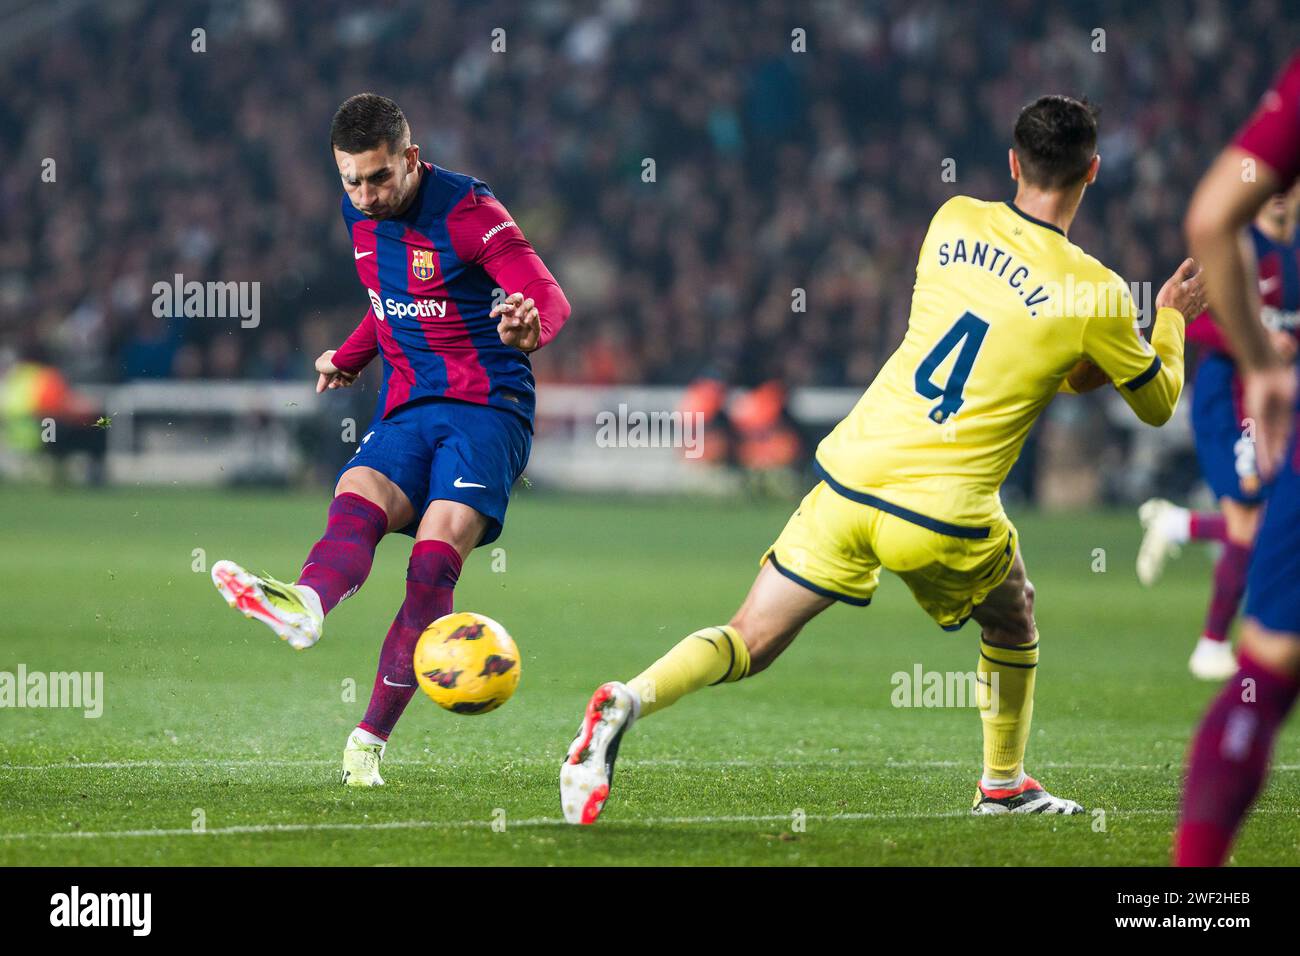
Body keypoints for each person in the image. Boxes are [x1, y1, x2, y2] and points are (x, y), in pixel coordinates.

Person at [560, 95, 1204, 824]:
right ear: (1093, 170)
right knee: (1013, 616)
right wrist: (1174, 318)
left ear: (1013, 163)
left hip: (851, 471)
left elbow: (1013, 335)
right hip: (943, 508)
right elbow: (1153, 401)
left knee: (749, 635)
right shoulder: (1097, 292)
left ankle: (629, 698)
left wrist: (1089, 354)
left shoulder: (952, 220)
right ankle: (1003, 784)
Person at [211, 93, 569, 786]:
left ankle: (367, 743)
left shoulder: (470, 212)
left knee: (433, 560)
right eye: (352, 181)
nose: (366, 195)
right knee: (357, 493)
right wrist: (349, 355)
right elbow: (390, 301)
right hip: (406, 404)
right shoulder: (358, 211)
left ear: (410, 158)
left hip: (487, 409)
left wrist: (532, 330)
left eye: (379, 178)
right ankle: (306, 606)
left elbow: (547, 295)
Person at [1176, 52, 1300, 866]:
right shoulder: (1259, 256)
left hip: (1274, 401)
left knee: (1274, 666)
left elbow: (1209, 213)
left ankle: (1191, 897)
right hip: (1232, 396)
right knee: (1247, 506)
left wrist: (1269, 364)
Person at [1137, 186, 1300, 680]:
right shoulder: (1238, 247)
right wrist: (1255, 335)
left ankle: (1180, 526)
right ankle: (1211, 645)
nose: (1278, 195)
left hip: (1275, 402)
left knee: (1275, 514)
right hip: (1227, 401)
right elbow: (1194, 322)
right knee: (1252, 520)